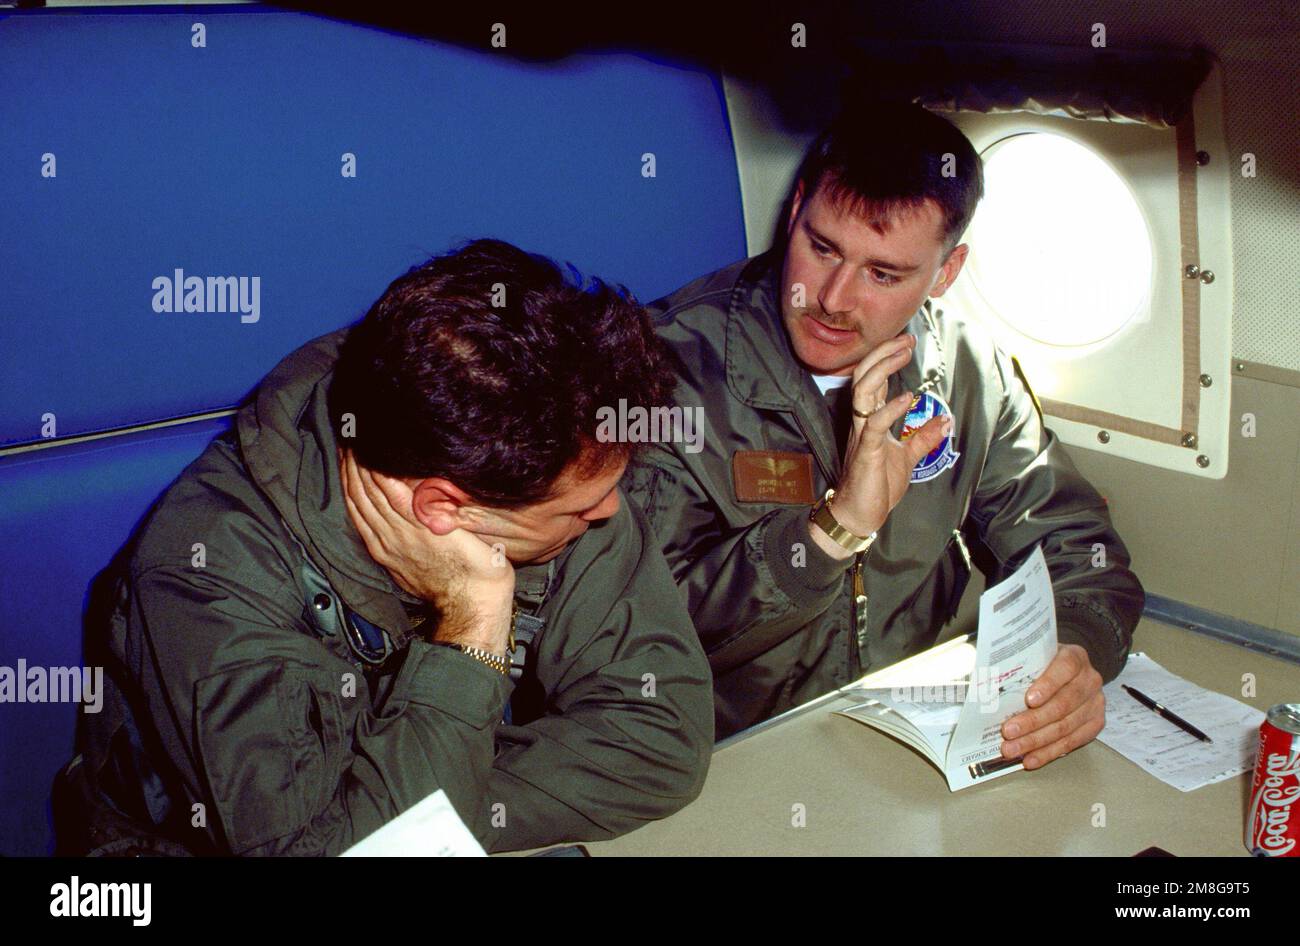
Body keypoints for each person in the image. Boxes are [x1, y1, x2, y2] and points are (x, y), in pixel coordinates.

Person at [55, 239, 713, 856]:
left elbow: (662, 740)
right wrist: (475, 618)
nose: (610, 512)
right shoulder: (206, 573)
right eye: (581, 507)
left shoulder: (559, 453)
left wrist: (434, 800)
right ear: (443, 510)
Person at [624, 101, 1145, 755]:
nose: (834, 299)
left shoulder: (968, 370)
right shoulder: (660, 373)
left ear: (945, 274)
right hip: (725, 752)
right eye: (822, 248)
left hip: (908, 734)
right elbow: (634, 631)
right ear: (795, 216)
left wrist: (1077, 647)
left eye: (883, 273)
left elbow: (1079, 551)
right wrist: (831, 532)